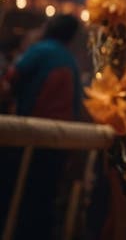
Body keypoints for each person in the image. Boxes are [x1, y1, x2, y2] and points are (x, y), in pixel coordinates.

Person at [1, 15, 83, 239]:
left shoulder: (41, 50)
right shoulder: (71, 60)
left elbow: (11, 79)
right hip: (59, 144)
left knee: (17, 198)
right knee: (43, 201)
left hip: (29, 140)